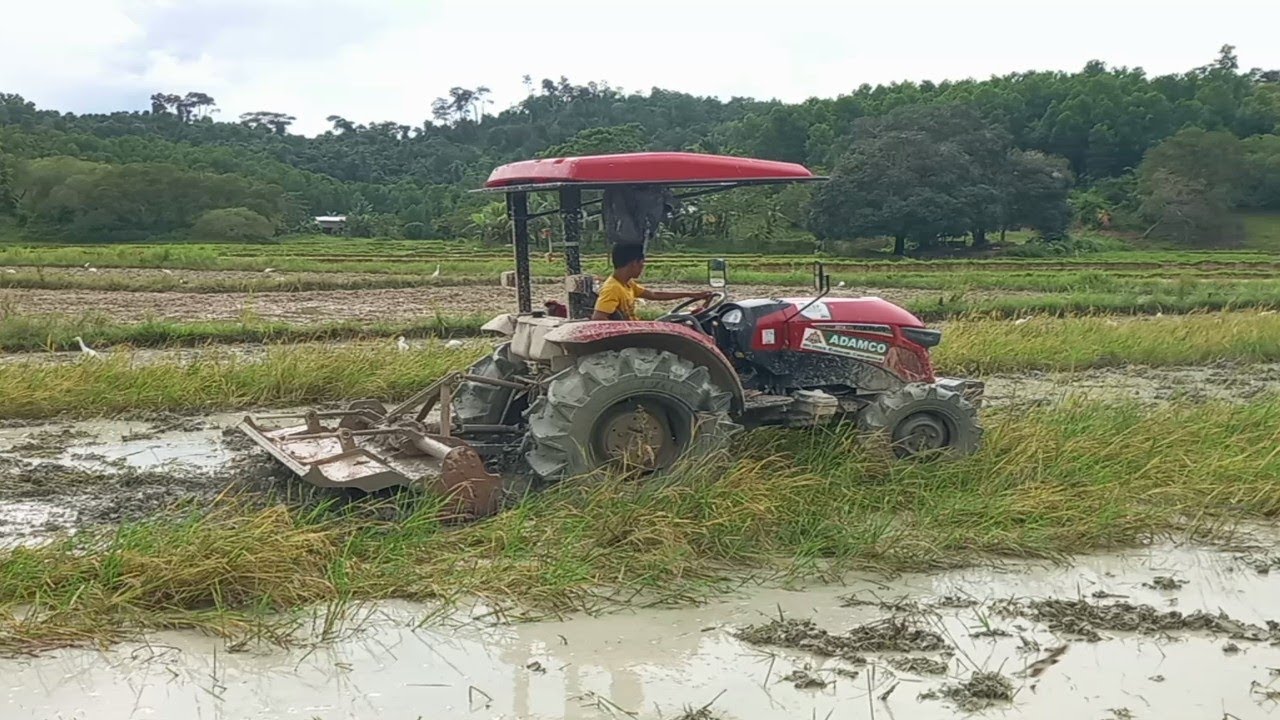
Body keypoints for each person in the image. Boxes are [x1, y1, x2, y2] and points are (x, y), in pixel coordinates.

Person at [592, 243, 712, 321]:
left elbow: (654, 295)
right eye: (641, 264)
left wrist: (690, 294)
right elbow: (598, 318)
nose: (642, 268)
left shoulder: (627, 284)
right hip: (631, 334)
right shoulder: (612, 288)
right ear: (634, 263)